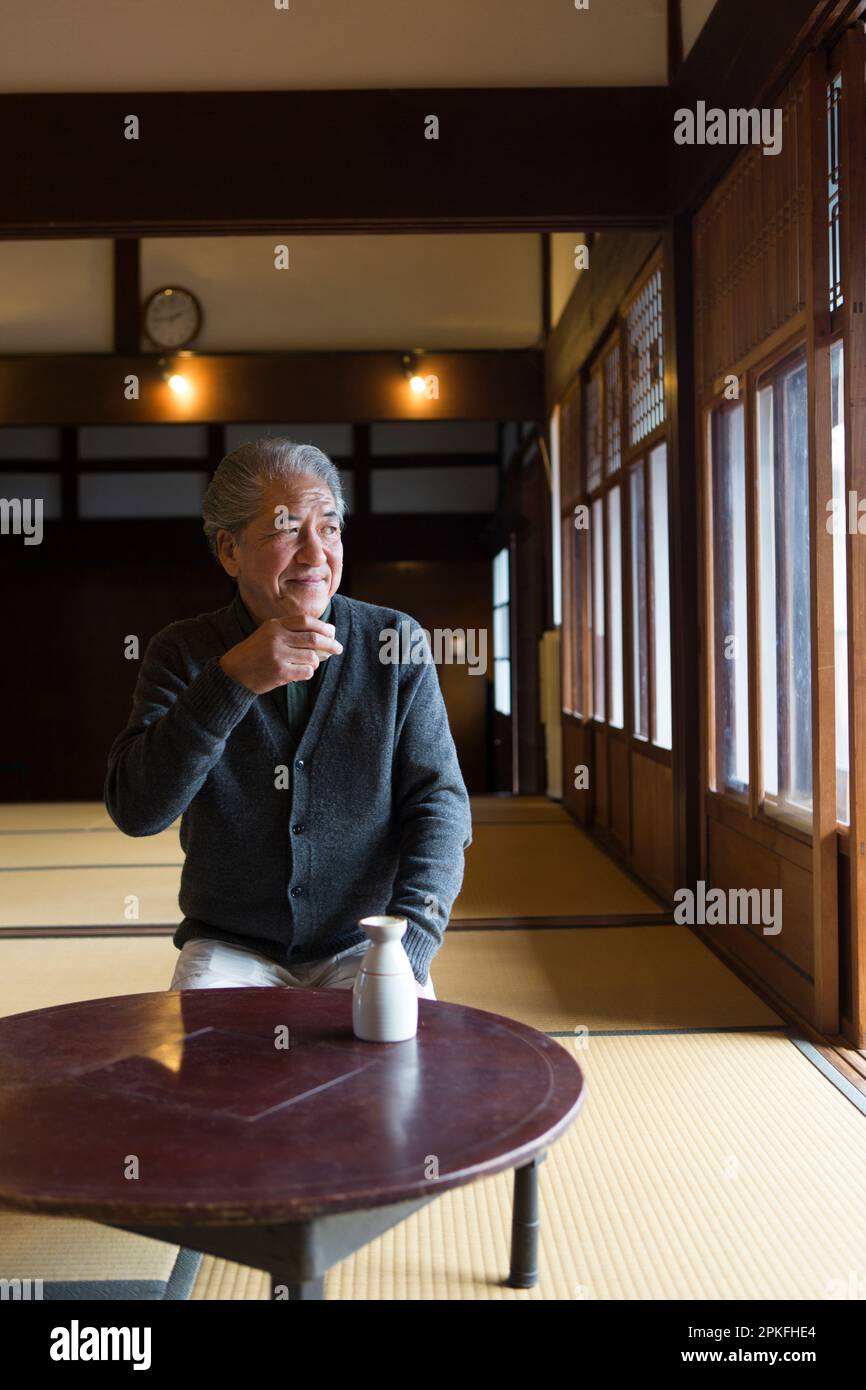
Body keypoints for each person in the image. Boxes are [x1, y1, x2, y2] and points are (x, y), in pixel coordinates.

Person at [104, 438, 472, 998]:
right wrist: (231, 681)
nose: (314, 554)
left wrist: (409, 943)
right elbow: (138, 809)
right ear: (229, 551)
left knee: (395, 1077)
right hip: (228, 944)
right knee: (211, 1081)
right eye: (286, 528)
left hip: (366, 940)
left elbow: (439, 803)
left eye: (328, 528)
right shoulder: (182, 651)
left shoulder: (394, 641)